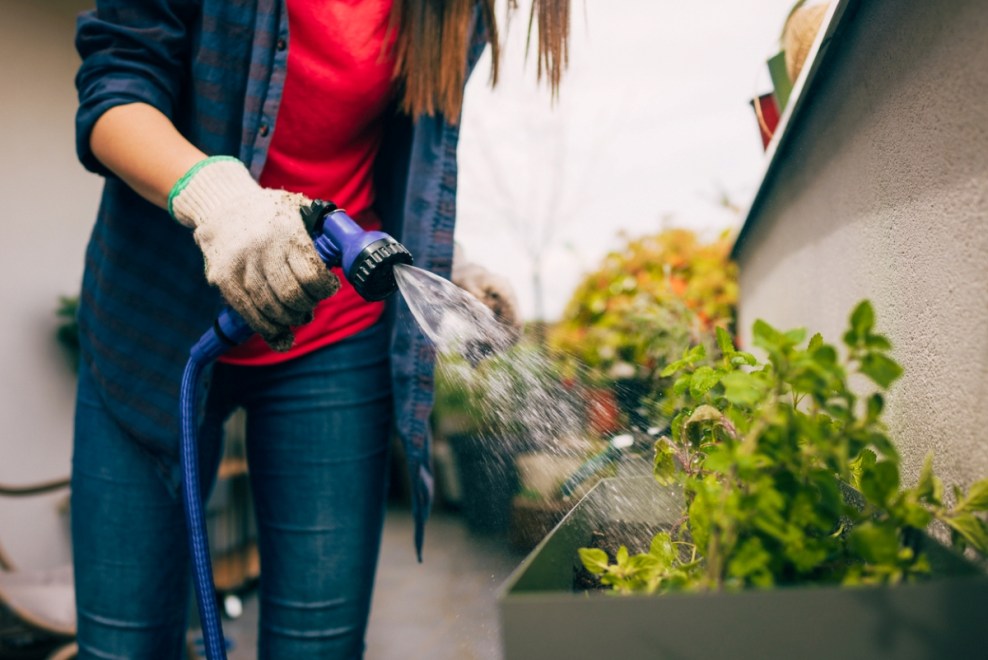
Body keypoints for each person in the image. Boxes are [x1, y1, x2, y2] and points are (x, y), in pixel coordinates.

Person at [71, 0, 569, 657]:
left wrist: (452, 263)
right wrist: (214, 196)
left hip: (335, 336)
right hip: (153, 322)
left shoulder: (445, 11)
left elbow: (398, 162)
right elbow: (115, 90)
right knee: (124, 646)